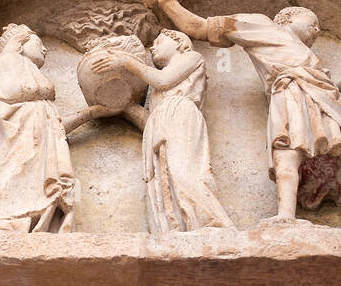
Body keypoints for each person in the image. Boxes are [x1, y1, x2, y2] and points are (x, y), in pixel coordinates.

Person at [144, 0, 341, 228]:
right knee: (287, 149)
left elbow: (328, 89)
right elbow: (200, 28)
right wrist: (169, 3)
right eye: (312, 21)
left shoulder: (308, 57)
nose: (317, 29)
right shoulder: (261, 25)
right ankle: (286, 216)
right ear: (288, 17)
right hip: (289, 91)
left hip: (328, 103)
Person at [87, 29, 233, 232]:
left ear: (179, 42)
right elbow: (151, 121)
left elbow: (163, 81)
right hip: (162, 121)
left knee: (182, 172)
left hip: (180, 115)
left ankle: (212, 223)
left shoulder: (191, 57)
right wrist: (127, 107)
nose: (152, 47)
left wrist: (126, 61)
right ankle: (177, 228)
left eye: (158, 41)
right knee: (162, 178)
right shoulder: (158, 92)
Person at [0, 25, 79, 233]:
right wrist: (46, 89)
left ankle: (44, 221)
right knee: (17, 172)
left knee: (39, 176)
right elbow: (11, 91)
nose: (45, 49)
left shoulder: (28, 72)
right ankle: (6, 220)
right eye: (39, 43)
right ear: (20, 42)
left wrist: (90, 114)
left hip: (39, 136)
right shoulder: (8, 59)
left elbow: (59, 126)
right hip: (21, 138)